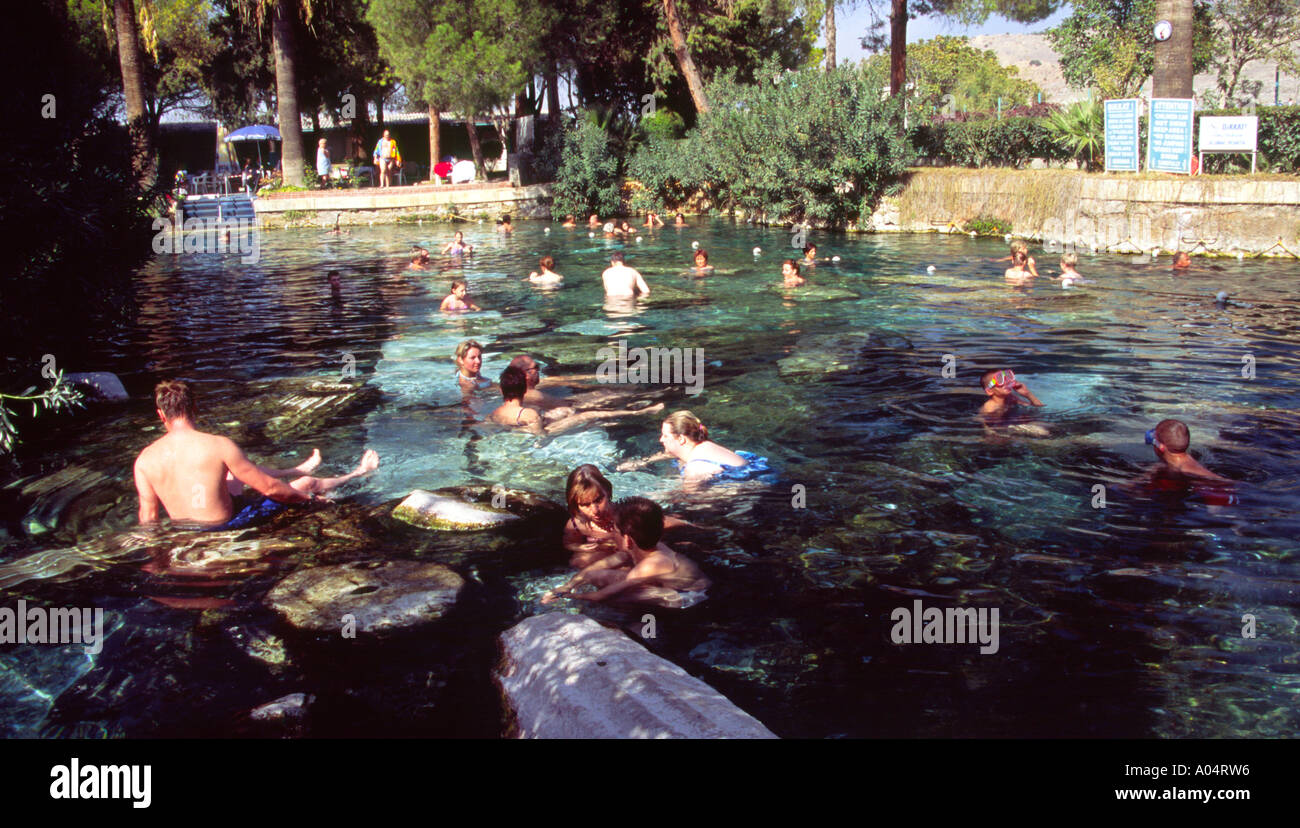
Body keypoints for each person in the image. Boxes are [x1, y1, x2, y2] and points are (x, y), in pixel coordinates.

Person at [133, 380, 379, 529]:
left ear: (161, 415)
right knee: (306, 484)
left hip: (184, 531)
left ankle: (295, 468)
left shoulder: (144, 459)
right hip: (225, 526)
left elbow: (148, 518)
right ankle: (358, 472)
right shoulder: (218, 445)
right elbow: (271, 489)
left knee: (233, 476)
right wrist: (309, 499)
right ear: (195, 407)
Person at [543, 497, 709, 606]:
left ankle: (647, 630)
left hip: (693, 597)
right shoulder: (646, 546)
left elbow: (599, 596)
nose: (610, 535)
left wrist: (565, 598)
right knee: (596, 575)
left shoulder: (650, 565)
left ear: (627, 540)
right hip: (672, 582)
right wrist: (567, 586)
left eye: (614, 532)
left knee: (621, 599)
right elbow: (596, 569)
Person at [618, 411, 767, 483]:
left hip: (753, 488)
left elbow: (686, 498)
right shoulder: (703, 445)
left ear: (681, 439)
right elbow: (669, 454)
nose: (661, 439)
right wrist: (643, 462)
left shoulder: (695, 468)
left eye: (665, 436)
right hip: (758, 472)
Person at [1145, 419, 1229, 482]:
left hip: (1221, 490)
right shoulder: (1183, 460)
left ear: (1161, 447)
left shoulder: (1182, 470)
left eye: (1153, 439)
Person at [488, 366, 544, 434]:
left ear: (501, 390)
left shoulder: (492, 415)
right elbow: (540, 436)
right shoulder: (529, 415)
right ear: (525, 390)